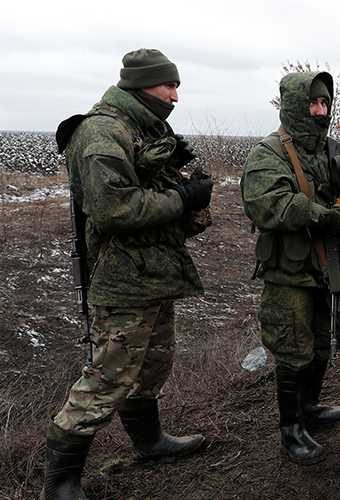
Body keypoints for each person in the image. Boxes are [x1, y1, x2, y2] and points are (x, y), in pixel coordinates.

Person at [46, 48, 213, 499]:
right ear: (140, 85)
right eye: (168, 86)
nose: (175, 95)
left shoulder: (146, 129)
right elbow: (114, 207)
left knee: (154, 363)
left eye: (177, 85)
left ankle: (149, 442)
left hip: (154, 269)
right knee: (107, 376)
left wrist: (181, 181)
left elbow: (148, 190)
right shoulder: (102, 133)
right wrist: (183, 199)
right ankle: (60, 485)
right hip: (121, 277)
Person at [241, 71, 340, 464]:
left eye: (325, 104)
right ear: (294, 106)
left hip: (328, 264)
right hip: (290, 269)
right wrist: (327, 217)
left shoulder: (331, 150)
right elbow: (272, 204)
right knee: (292, 347)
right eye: (313, 104)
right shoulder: (268, 154)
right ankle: (290, 430)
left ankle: (311, 407)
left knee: (323, 340)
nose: (321, 111)